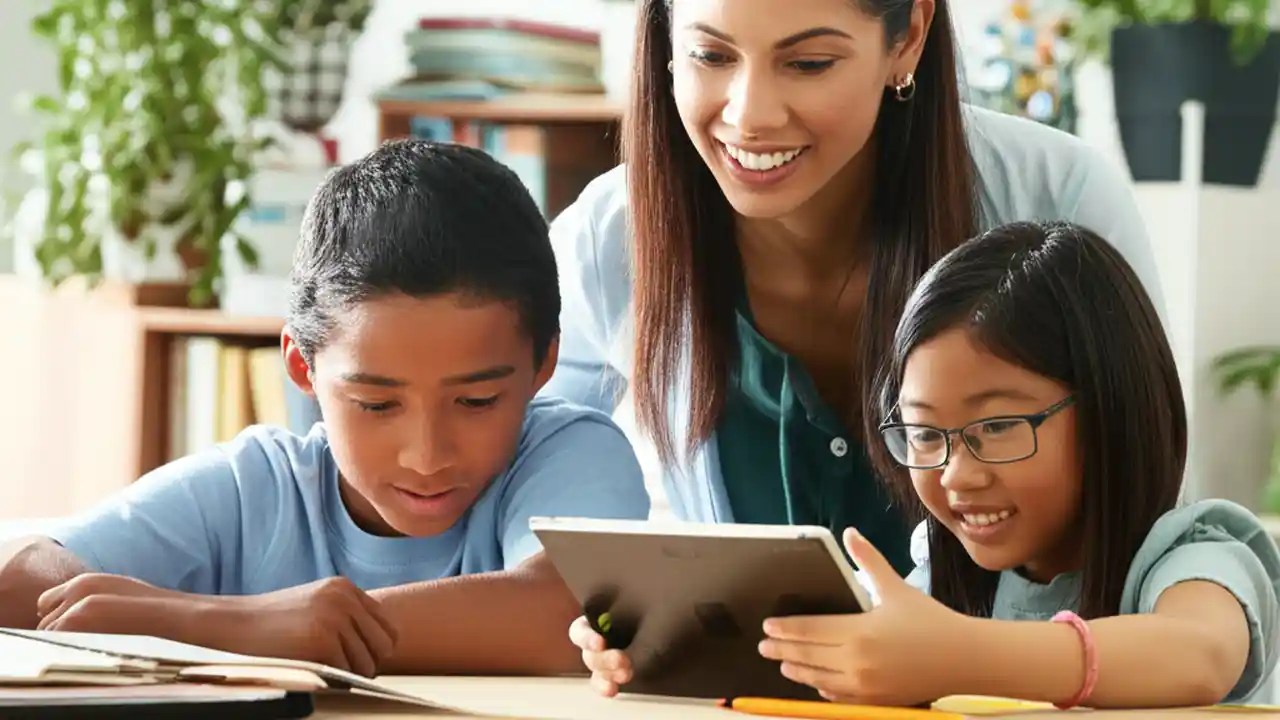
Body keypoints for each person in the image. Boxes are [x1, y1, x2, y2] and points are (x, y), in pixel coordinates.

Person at [545, 0, 1165, 583]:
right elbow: (528, 458)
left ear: (909, 37)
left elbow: (1146, 498)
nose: (750, 114)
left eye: (808, 63)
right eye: (712, 57)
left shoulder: (1059, 201)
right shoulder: (612, 234)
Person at [0, 140, 651, 677]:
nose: (426, 454)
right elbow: (26, 577)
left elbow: (561, 616)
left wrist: (223, 623)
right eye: (375, 403)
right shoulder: (253, 486)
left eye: (477, 400)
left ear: (544, 364)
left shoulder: (572, 454)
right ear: (302, 367)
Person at [765, 222, 1277, 707]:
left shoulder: (1191, 556)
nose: (957, 475)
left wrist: (956, 654)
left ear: (1110, 411)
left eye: (997, 427)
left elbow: (1198, 655)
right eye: (923, 434)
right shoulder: (947, 575)